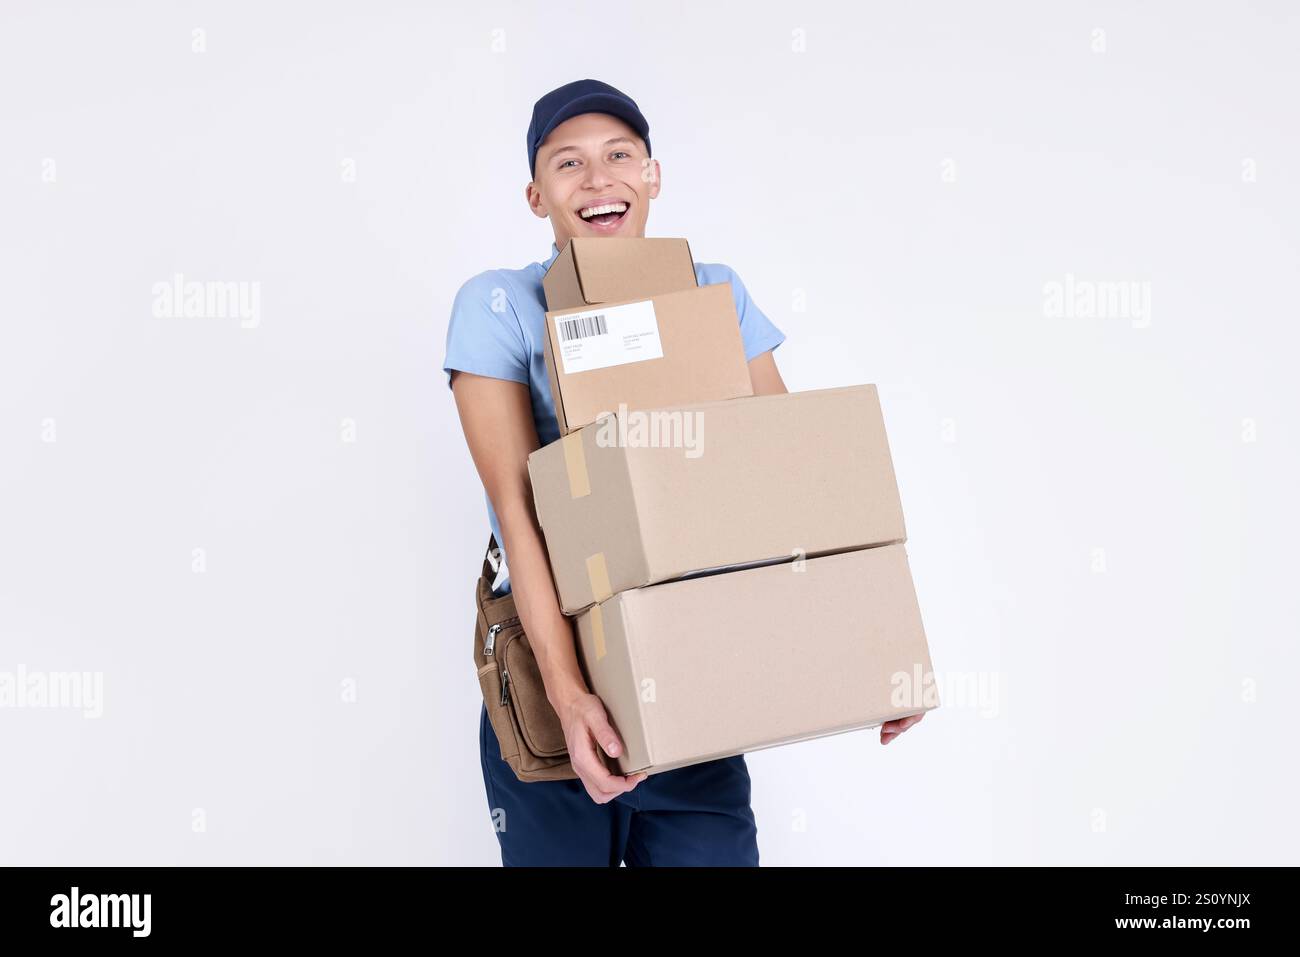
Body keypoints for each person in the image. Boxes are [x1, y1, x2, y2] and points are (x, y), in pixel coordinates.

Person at [443, 79, 923, 866]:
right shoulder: (499, 304)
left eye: (618, 156)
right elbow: (518, 512)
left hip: (691, 662)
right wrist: (571, 698)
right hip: (551, 669)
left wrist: (871, 655)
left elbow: (793, 483)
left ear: (653, 175)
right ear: (535, 195)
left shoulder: (713, 291)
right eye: (568, 163)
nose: (598, 179)